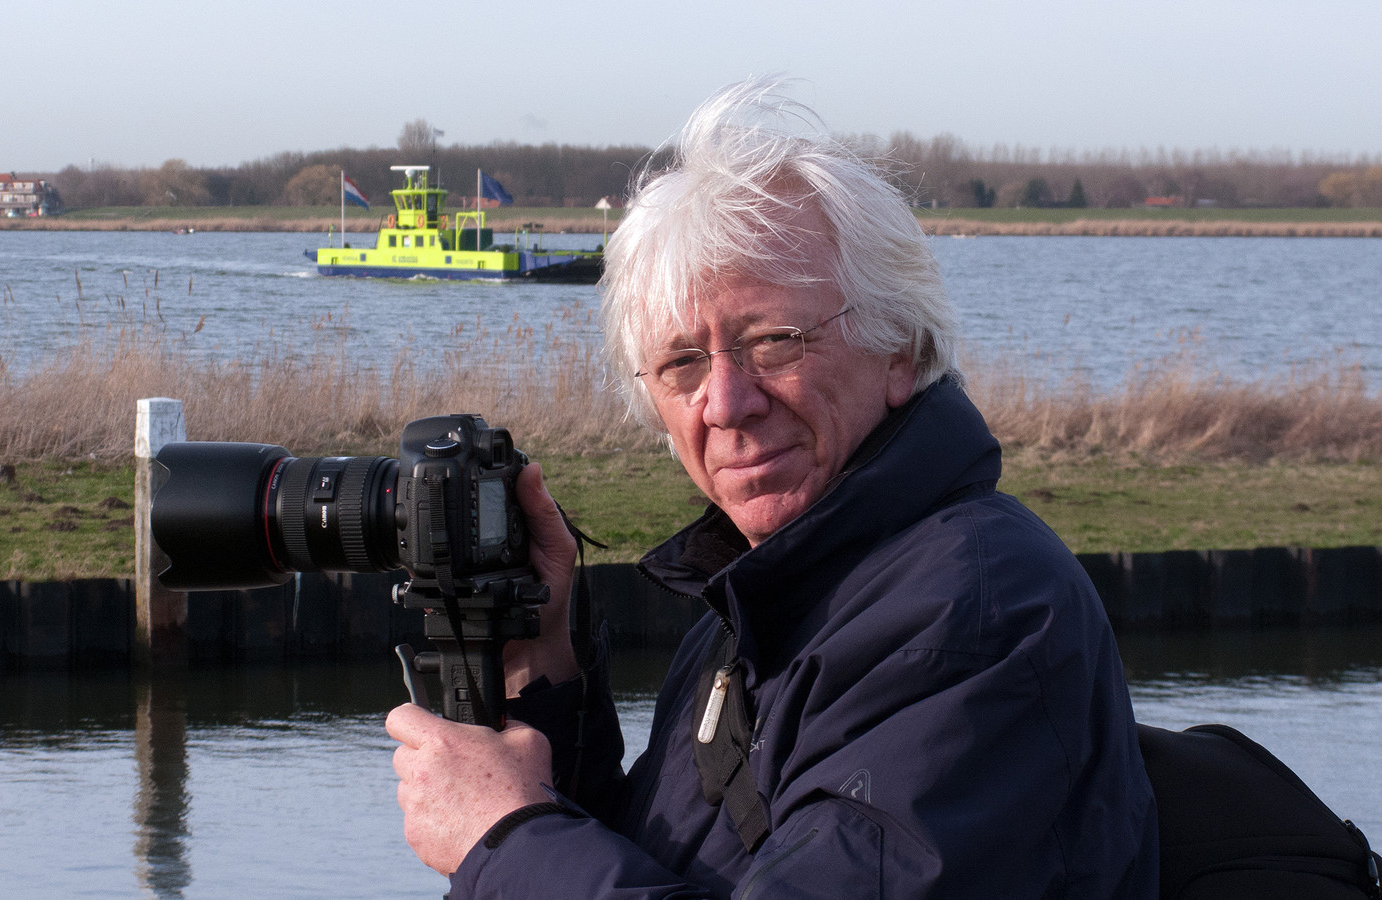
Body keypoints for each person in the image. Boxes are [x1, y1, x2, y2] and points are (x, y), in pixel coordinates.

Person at [386, 78, 1159, 898]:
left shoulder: (972, 615)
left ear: (901, 347)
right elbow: (678, 865)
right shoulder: (779, 592)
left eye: (774, 342)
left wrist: (505, 838)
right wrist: (543, 673)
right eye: (682, 364)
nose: (725, 403)